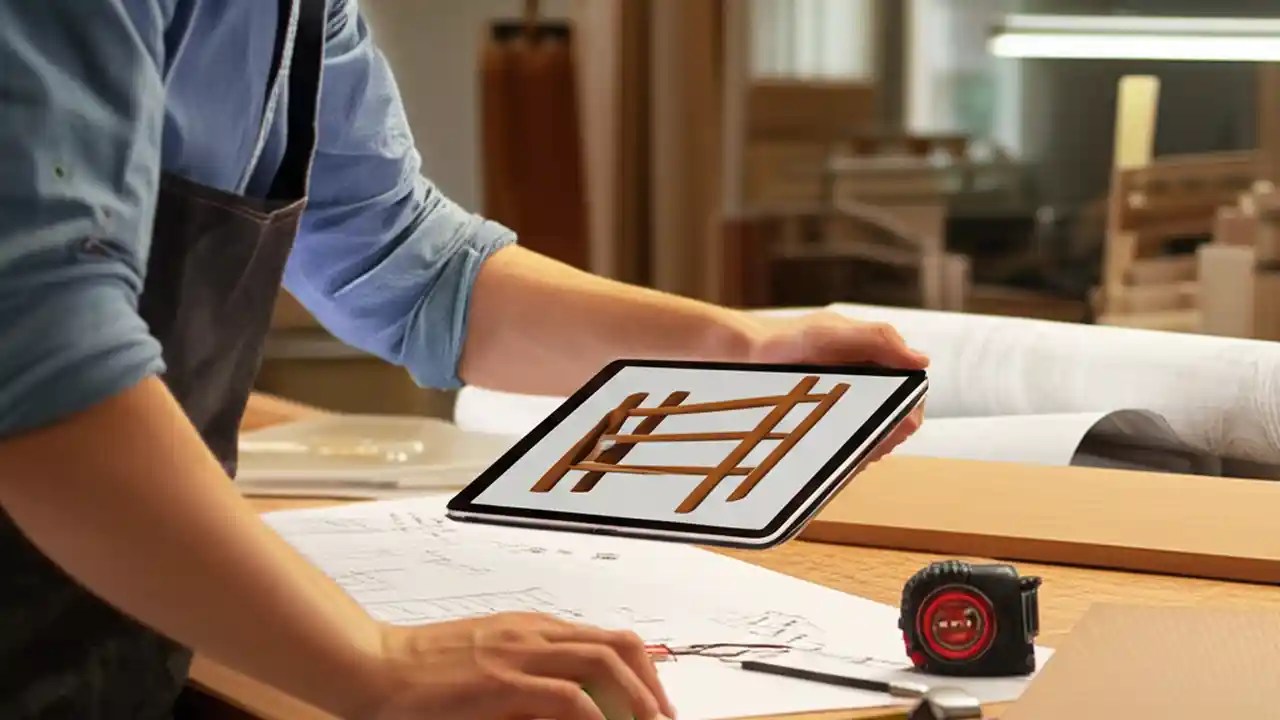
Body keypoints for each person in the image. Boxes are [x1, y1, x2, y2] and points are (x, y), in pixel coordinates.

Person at [0, 1, 928, 719]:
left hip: (102, 636)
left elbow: (410, 264)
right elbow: (39, 345)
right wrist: (376, 665)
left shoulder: (301, 19)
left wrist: (737, 347)